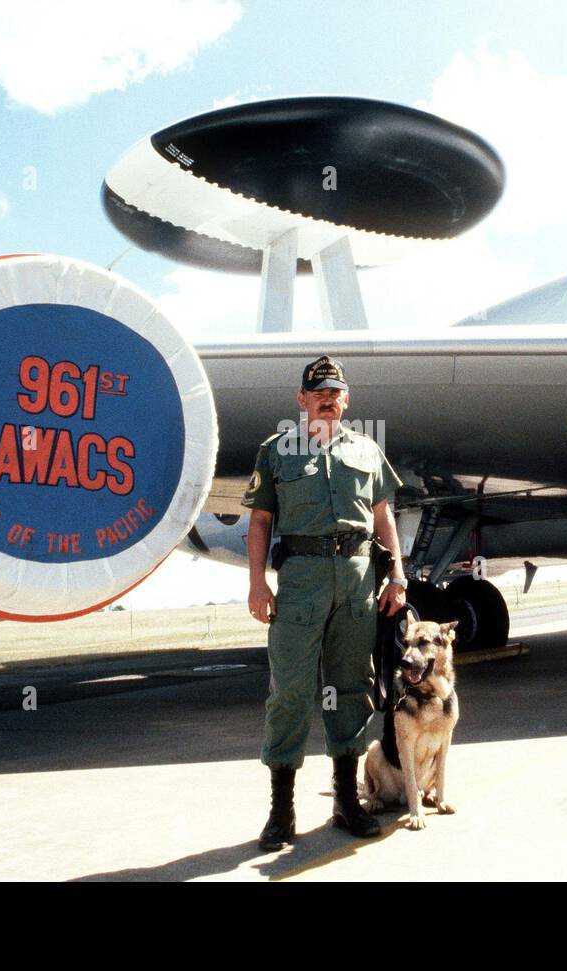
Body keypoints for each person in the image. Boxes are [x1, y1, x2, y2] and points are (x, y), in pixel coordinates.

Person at [242, 355, 407, 850]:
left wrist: (397, 574)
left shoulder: (368, 450)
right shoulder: (276, 452)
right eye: (319, 395)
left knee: (352, 688)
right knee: (290, 691)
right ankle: (281, 810)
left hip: (358, 582)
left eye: (336, 394)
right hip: (300, 582)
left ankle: (346, 801)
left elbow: (384, 518)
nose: (328, 401)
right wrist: (256, 584)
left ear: (346, 399)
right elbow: (259, 522)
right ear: (302, 401)